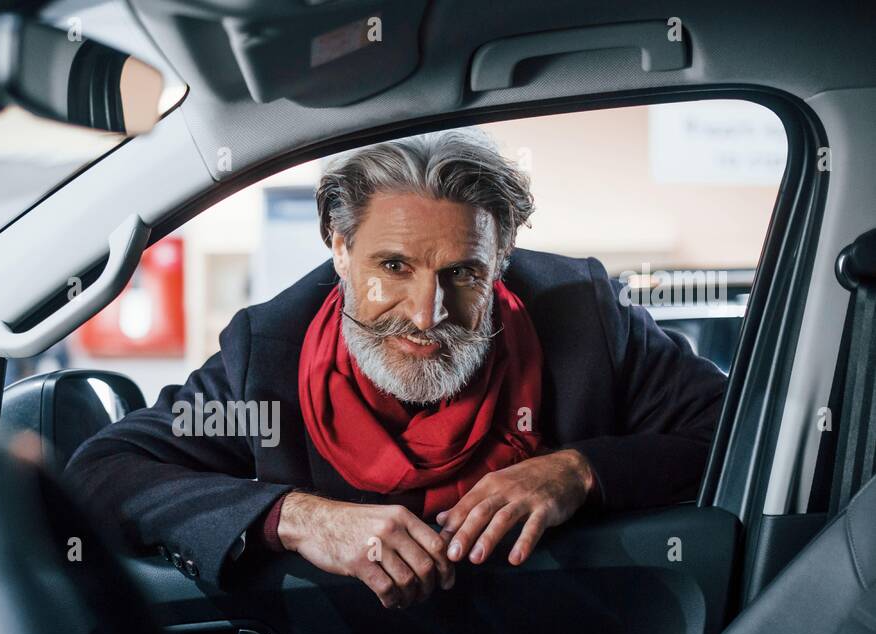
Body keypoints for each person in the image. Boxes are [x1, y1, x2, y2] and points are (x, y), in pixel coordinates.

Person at [65, 129, 727, 608]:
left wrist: (580, 470)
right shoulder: (267, 355)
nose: (426, 312)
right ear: (340, 246)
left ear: (502, 256)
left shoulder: (581, 319)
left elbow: (737, 430)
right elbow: (106, 472)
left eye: (463, 274)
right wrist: (301, 517)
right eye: (393, 267)